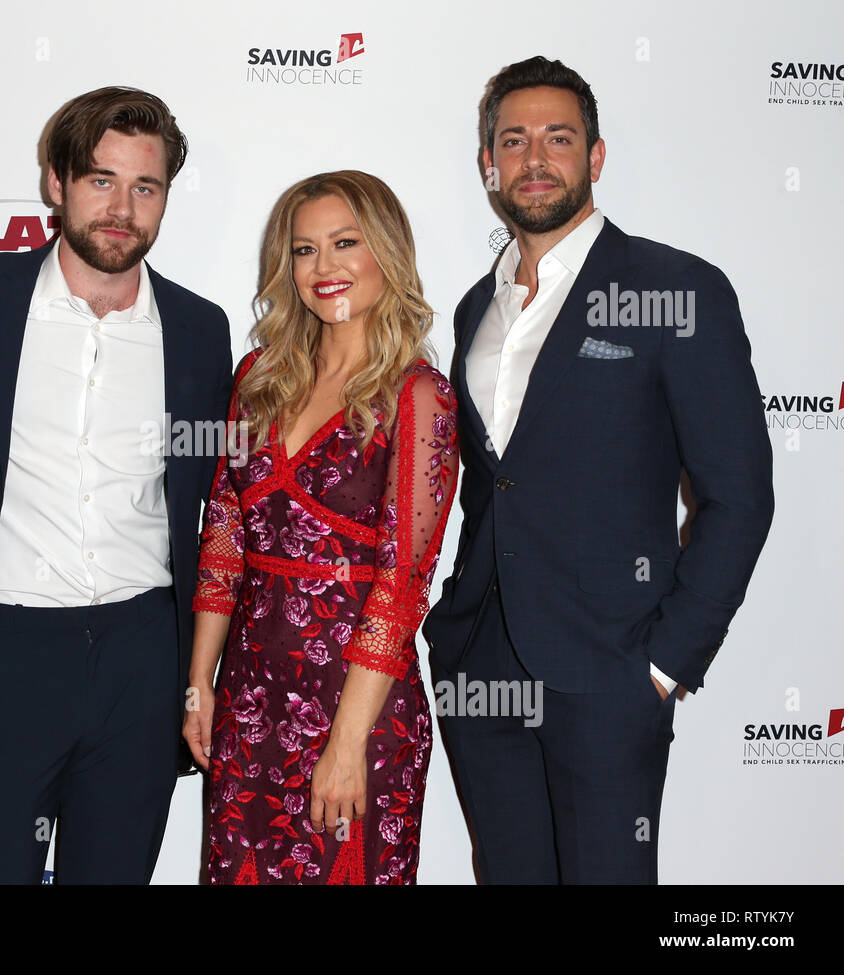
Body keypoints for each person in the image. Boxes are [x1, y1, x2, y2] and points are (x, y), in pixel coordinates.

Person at [422, 56, 775, 884]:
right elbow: (496, 487)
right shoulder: (479, 306)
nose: (534, 159)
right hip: (485, 670)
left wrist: (664, 663)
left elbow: (739, 495)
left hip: (611, 674)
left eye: (558, 138)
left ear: (597, 157)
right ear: (488, 165)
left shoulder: (674, 288)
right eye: (514, 141)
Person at [0, 86, 233, 884]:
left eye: (145, 186)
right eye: (101, 180)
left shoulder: (201, 329)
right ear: (56, 183)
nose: (122, 207)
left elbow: (210, 502)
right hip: (1, 650)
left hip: (140, 657)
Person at [183, 171, 459, 885]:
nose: (324, 267)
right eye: (305, 250)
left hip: (355, 706)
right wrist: (200, 683)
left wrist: (344, 743)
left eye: (345, 243)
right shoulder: (259, 378)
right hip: (248, 698)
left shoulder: (416, 394)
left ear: (386, 253)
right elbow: (224, 538)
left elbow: (401, 591)